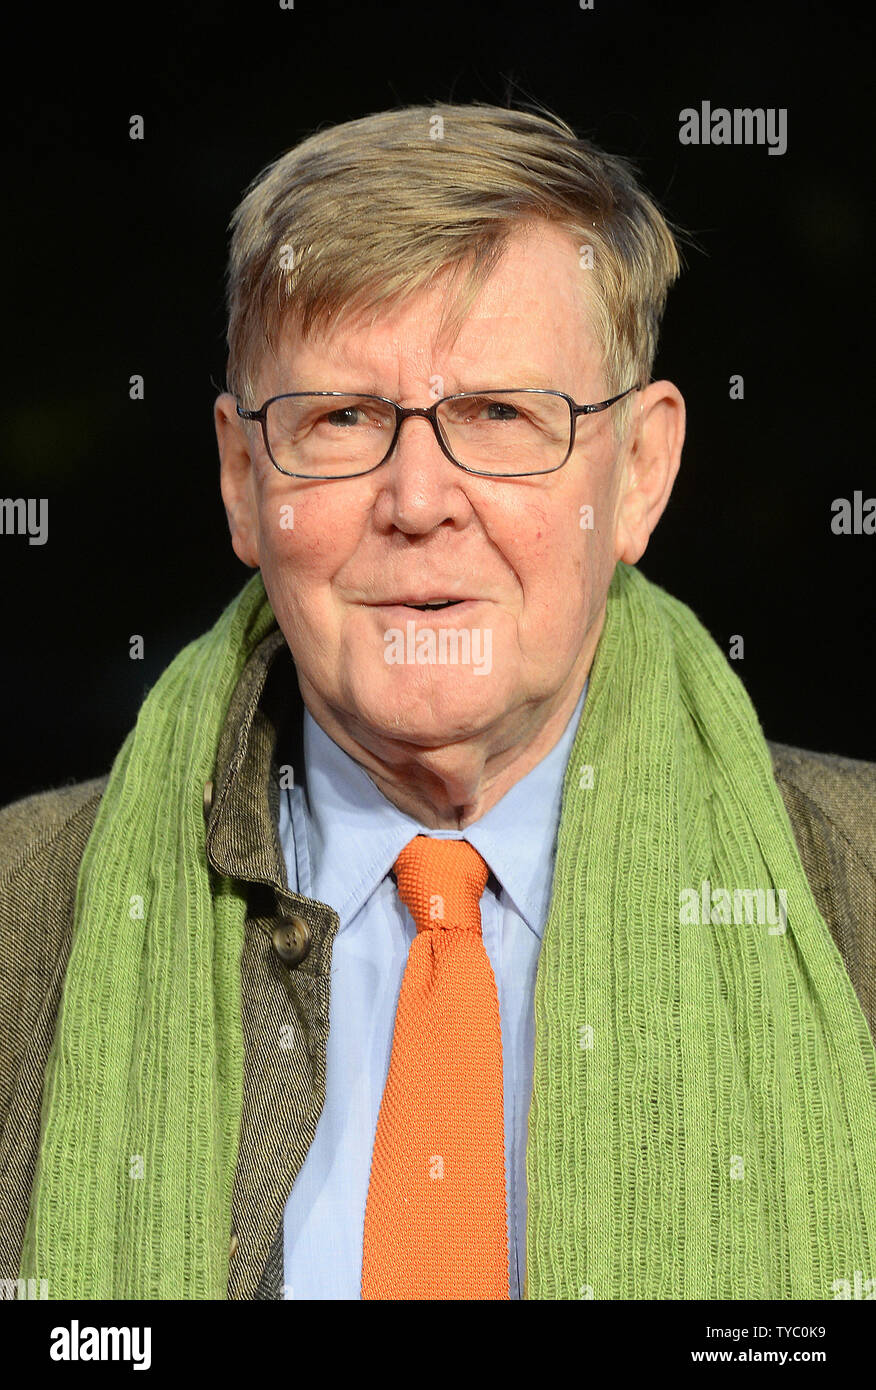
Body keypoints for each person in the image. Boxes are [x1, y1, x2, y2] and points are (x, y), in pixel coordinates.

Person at [2, 102, 874, 1302]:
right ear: (244, 480)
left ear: (642, 473)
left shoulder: (858, 889)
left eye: (501, 416)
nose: (419, 498)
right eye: (344, 418)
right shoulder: (19, 917)